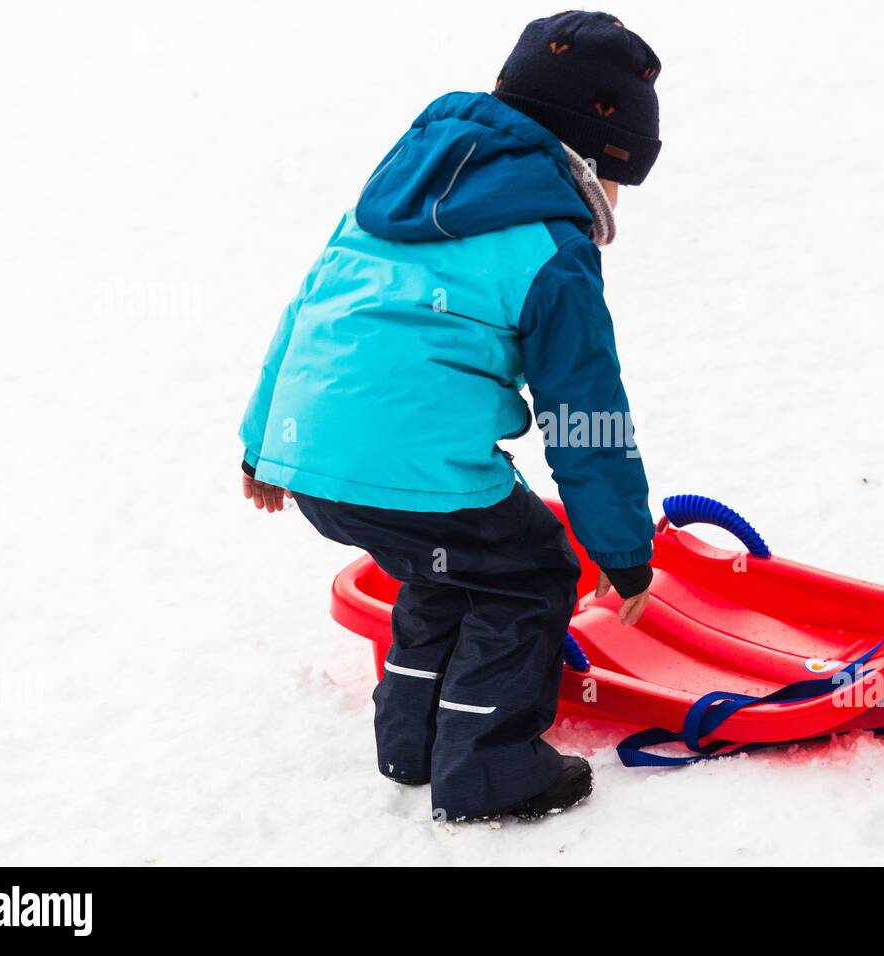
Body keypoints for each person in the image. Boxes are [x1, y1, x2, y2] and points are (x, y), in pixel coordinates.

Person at [238, 11, 662, 821]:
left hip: (318, 466)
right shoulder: (548, 242)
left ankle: (412, 741)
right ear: (588, 158)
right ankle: (492, 771)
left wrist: (261, 445)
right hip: (415, 473)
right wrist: (618, 545)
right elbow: (584, 409)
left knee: (448, 567)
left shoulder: (385, 197)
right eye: (618, 181)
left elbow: (306, 314)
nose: (614, 205)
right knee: (528, 573)